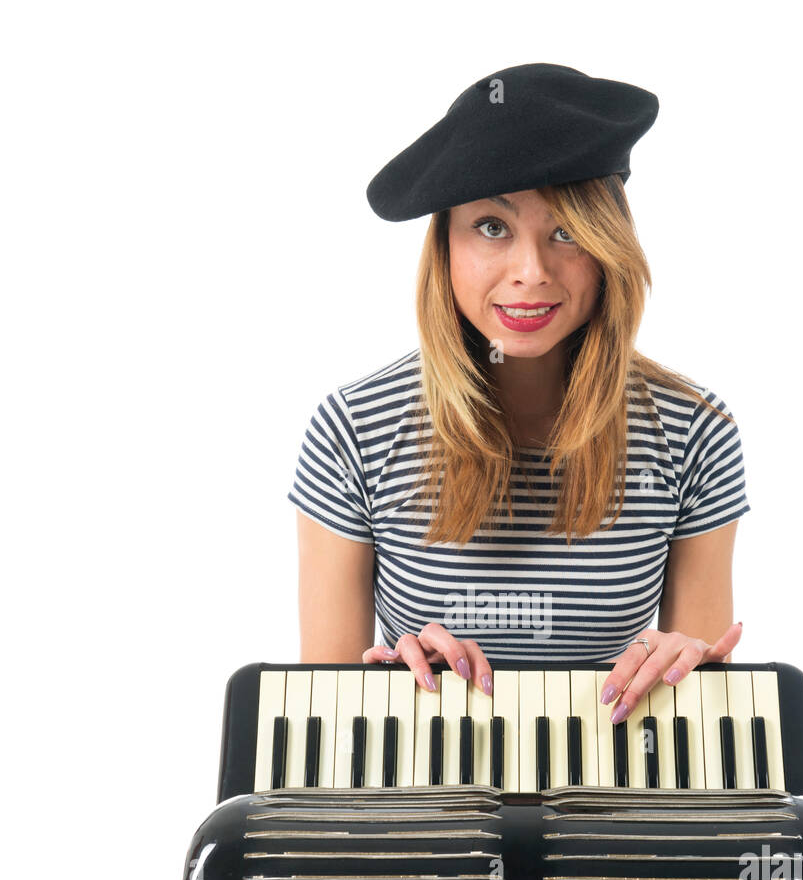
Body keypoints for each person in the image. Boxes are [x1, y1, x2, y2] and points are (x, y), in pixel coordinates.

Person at [288, 63, 747, 727]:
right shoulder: (352, 429)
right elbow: (326, 724)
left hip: (610, 779)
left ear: (608, 249)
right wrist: (392, 684)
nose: (532, 272)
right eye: (492, 227)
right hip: (428, 779)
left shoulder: (694, 430)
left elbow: (695, 723)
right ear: (445, 246)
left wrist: (687, 664)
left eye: (567, 232)